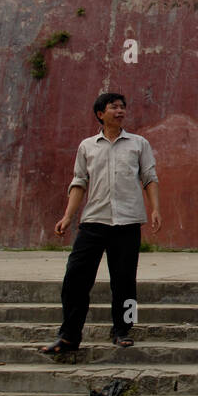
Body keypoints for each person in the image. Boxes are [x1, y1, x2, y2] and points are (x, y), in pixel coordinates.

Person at [40, 92, 161, 354]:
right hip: (94, 221)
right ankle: (70, 335)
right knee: (75, 278)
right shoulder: (87, 146)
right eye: (113, 107)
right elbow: (79, 182)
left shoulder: (139, 144)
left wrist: (155, 210)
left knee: (125, 281)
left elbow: (149, 177)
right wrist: (68, 216)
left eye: (122, 107)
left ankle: (123, 329)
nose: (120, 111)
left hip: (128, 222)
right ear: (100, 114)